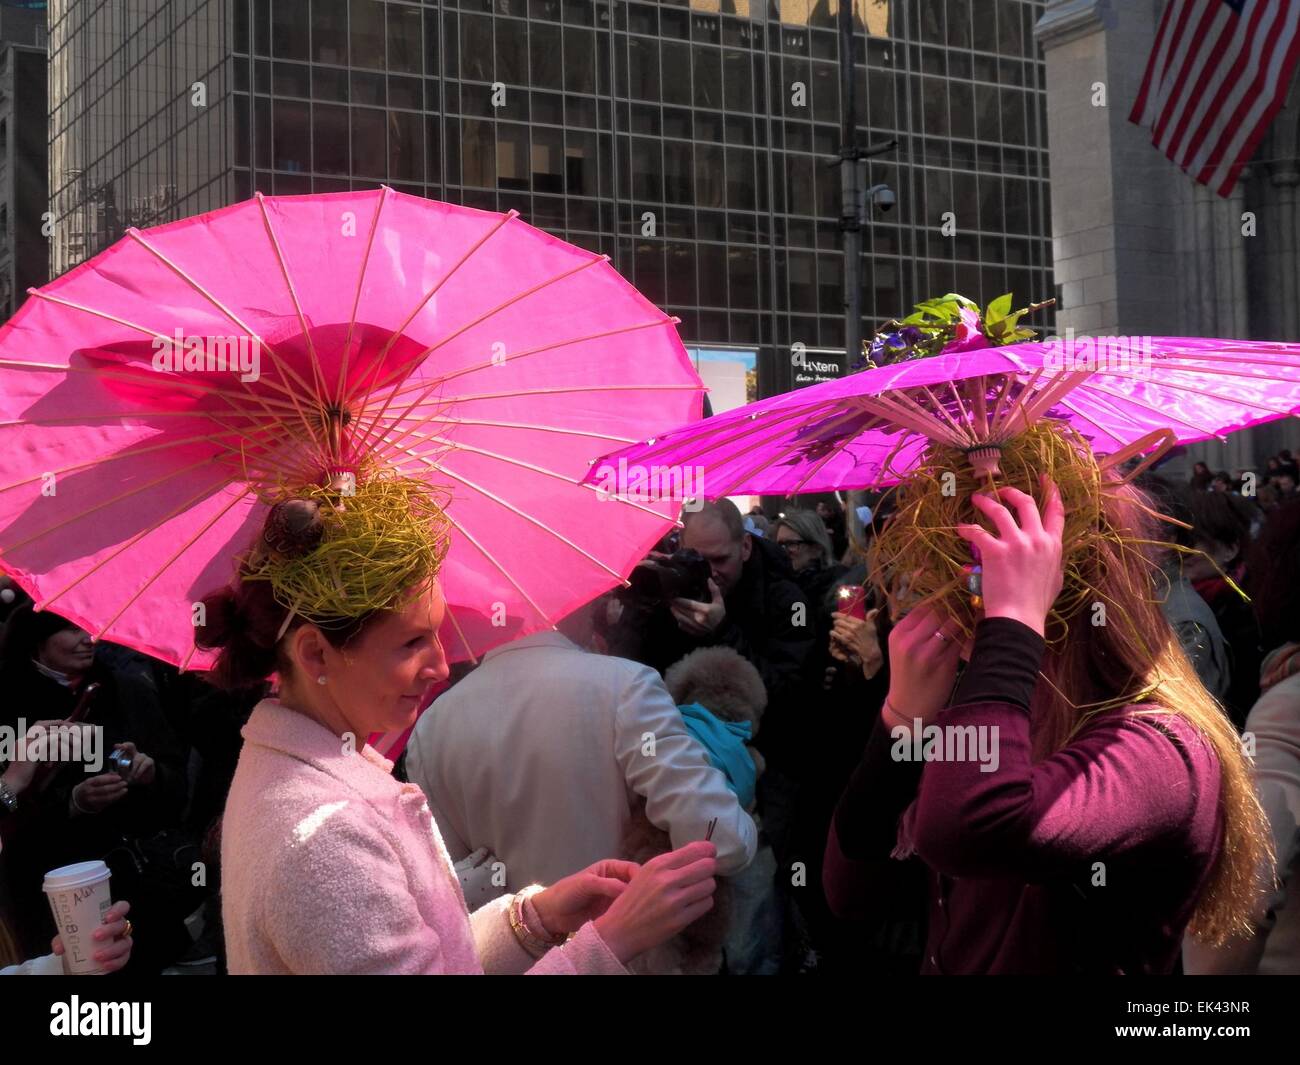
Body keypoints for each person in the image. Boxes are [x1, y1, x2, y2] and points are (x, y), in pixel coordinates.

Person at [200, 494, 719, 974]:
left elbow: (426, 957)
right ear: (315, 654)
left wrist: (535, 918)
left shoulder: (308, 775)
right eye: (411, 643)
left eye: (439, 634)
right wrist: (611, 940)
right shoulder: (323, 838)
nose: (442, 667)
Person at [824, 424, 1271, 974]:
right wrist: (900, 723)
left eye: (970, 582)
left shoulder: (1160, 747)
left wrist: (1010, 628)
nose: (932, 600)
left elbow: (968, 829)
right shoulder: (1000, 713)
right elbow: (853, 893)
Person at [404, 594, 757, 893]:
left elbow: (452, 879)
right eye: (593, 596)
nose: (599, 605)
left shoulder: (430, 726)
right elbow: (721, 840)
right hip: (620, 948)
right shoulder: (627, 685)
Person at [0, 606, 194, 971]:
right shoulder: (10, 701)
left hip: (132, 876)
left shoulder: (127, 688)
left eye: (89, 628)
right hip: (47, 885)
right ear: (37, 640)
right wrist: (72, 804)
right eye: (71, 630)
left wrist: (150, 775)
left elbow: (176, 788)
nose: (87, 639)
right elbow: (10, 808)